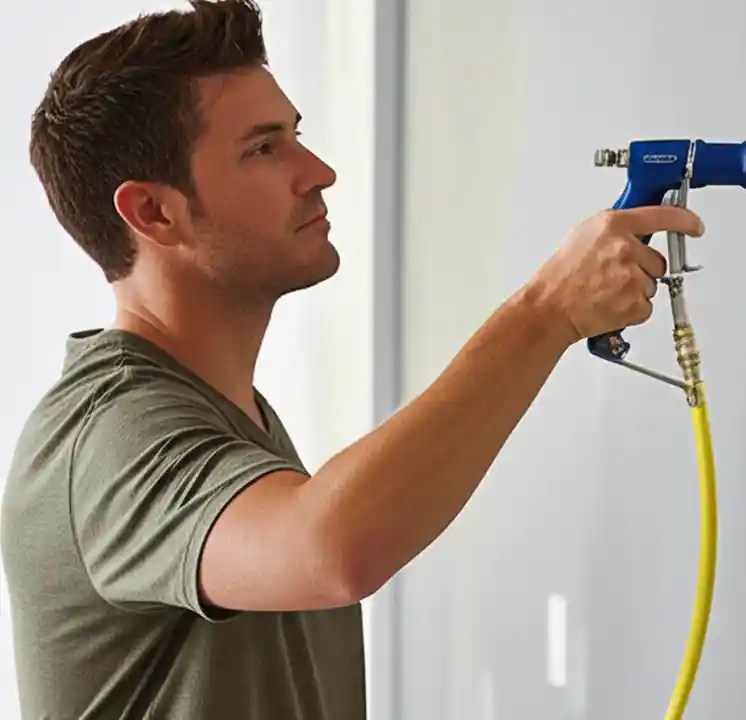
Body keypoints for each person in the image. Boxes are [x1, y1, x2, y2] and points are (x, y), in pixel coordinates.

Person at [0, 1, 703, 717]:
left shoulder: (226, 418)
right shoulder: (109, 434)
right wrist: (548, 310)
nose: (320, 171)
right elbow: (332, 549)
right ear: (153, 213)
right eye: (263, 148)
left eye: (295, 136)